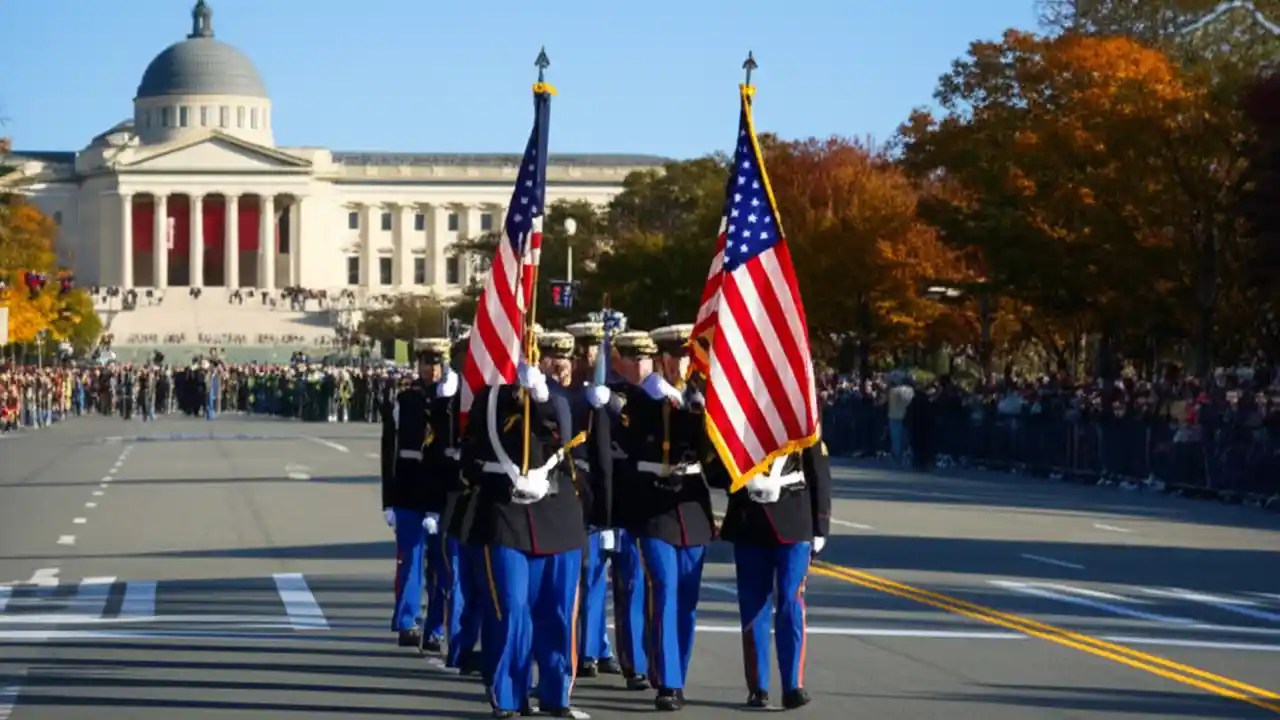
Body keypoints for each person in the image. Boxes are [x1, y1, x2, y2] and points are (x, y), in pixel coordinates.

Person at [462, 339, 588, 719]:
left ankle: (556, 693)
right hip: (506, 516)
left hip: (557, 516)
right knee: (511, 609)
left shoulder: (561, 396)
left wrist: (542, 394)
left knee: (557, 612)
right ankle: (508, 696)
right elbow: (473, 450)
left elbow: (562, 427)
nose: (541, 360)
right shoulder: (489, 399)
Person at [600, 325, 715, 711]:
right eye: (673, 356)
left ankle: (675, 671)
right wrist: (646, 402)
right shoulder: (640, 400)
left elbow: (714, 461)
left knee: (687, 598)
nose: (680, 363)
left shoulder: (704, 401)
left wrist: (699, 412)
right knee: (664, 588)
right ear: (661, 358)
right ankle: (668, 682)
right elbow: (626, 448)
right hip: (652, 508)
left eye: (687, 356)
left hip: (691, 508)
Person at [717, 426, 831, 710]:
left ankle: (793, 685)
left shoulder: (799, 408)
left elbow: (817, 468)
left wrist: (820, 523)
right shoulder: (741, 411)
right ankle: (758, 687)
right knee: (754, 606)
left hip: (794, 516)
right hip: (750, 518)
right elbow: (716, 472)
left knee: (791, 602)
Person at [381, 338, 451, 650]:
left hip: (440, 493)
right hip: (409, 491)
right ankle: (408, 621)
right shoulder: (405, 400)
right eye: (426, 362)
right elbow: (390, 450)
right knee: (410, 560)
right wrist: (388, 500)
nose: (431, 369)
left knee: (440, 565)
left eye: (436, 363)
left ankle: (435, 629)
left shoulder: (452, 401)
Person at [564, 320, 623, 679]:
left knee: (596, 575)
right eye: (583, 349)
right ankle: (581, 646)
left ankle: (594, 647)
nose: (589, 355)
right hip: (569, 487)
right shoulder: (566, 393)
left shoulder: (612, 391)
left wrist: (612, 403)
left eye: (595, 349)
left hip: (596, 492)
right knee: (576, 576)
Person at [599, 330, 655, 692]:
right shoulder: (604, 398)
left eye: (643, 358)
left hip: (647, 505)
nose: (638, 365)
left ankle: (640, 661)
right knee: (613, 584)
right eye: (630, 358)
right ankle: (598, 655)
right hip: (613, 504)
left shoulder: (660, 397)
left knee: (639, 584)